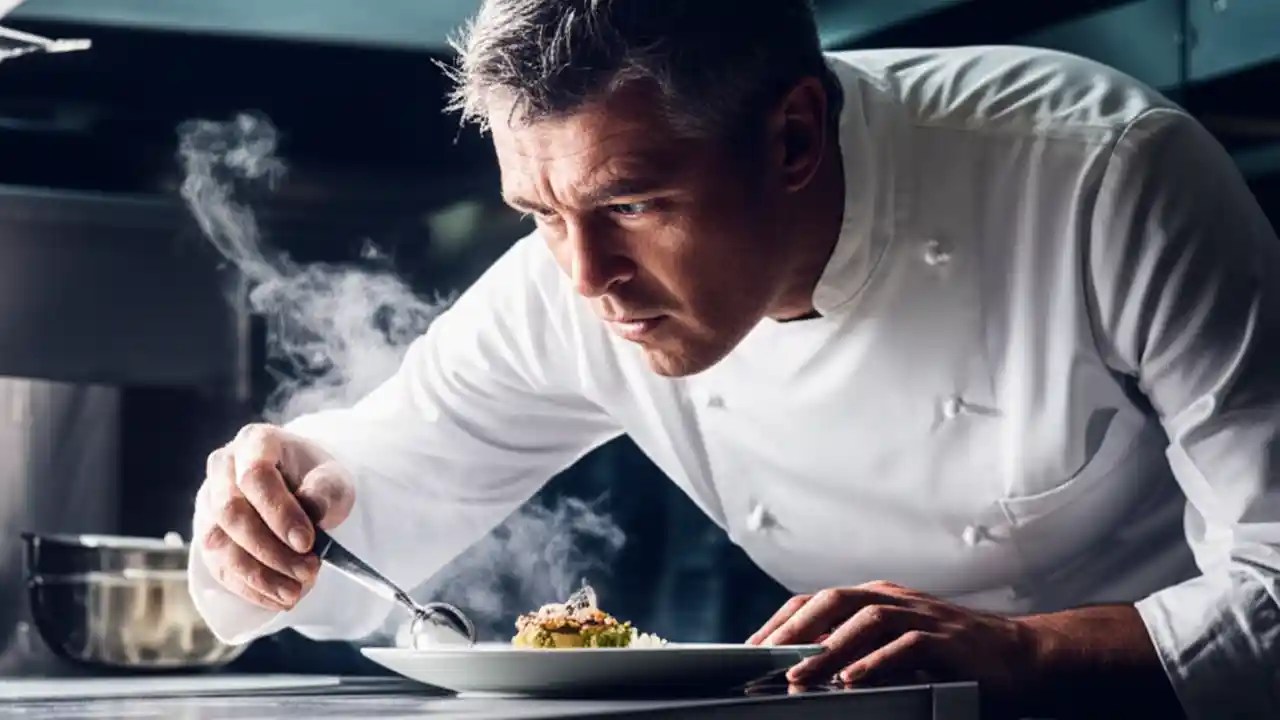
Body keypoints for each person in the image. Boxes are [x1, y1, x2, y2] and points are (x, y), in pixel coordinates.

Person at [187, 1, 1280, 717]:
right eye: (539, 214)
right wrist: (268, 512)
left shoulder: (1101, 178)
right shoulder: (565, 281)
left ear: (793, 138)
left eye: (631, 204)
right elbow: (360, 505)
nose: (585, 277)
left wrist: (1024, 655)